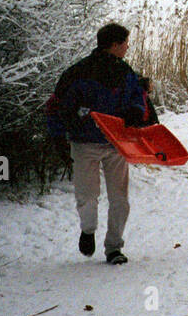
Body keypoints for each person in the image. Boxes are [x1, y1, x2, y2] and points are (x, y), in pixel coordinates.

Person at [51, 22, 147, 265]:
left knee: (120, 200)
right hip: (85, 144)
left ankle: (114, 248)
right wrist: (64, 132)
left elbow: (137, 97)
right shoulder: (79, 72)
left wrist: (136, 112)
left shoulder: (126, 72)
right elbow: (58, 105)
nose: (128, 47)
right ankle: (88, 230)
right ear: (114, 45)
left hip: (117, 144)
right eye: (125, 43)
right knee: (88, 196)